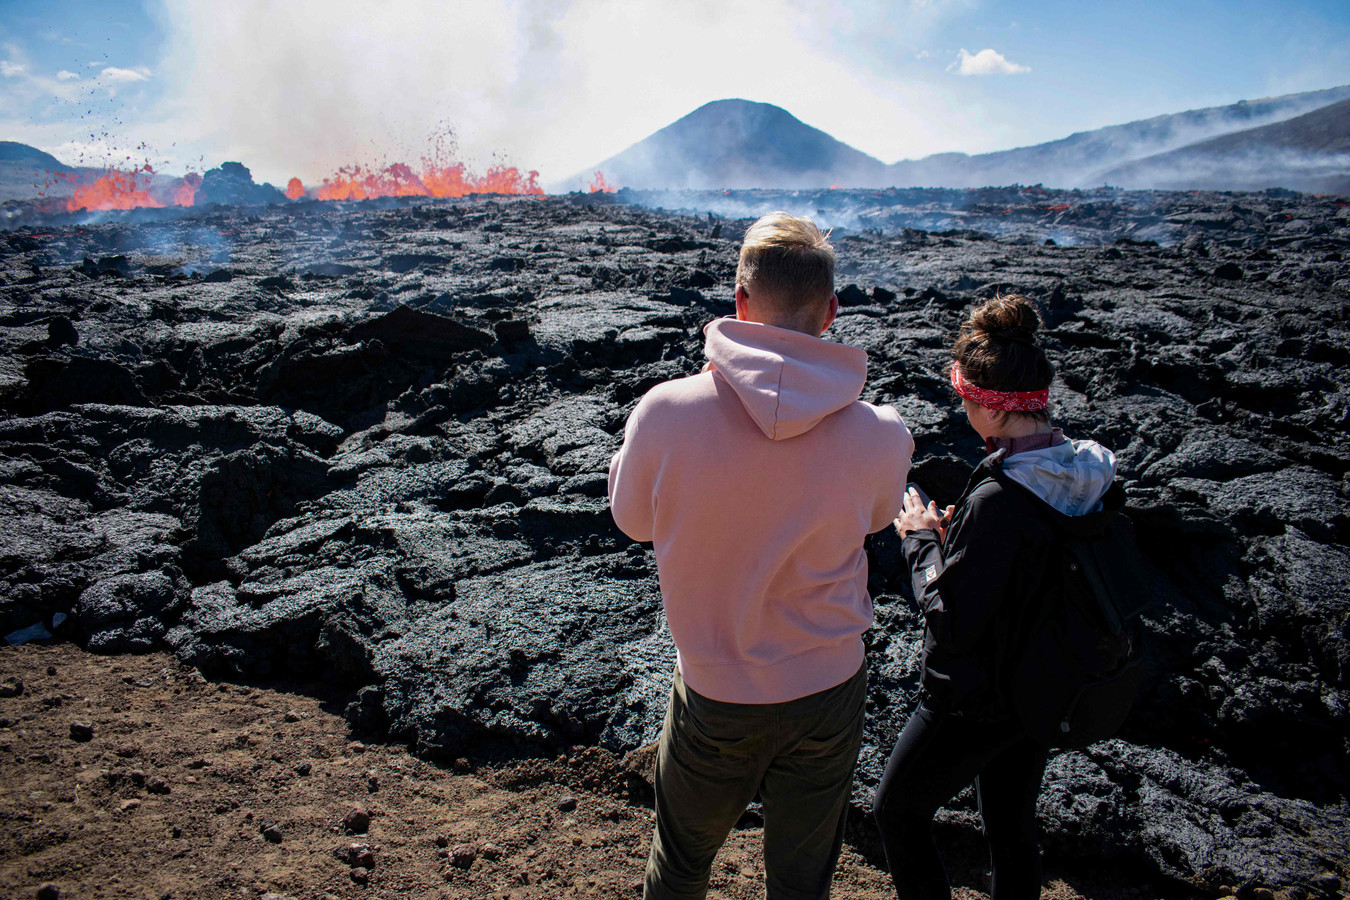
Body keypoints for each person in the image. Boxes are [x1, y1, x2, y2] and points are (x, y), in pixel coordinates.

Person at [608, 212, 914, 900]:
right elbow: (874, 518)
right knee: (802, 882)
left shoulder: (665, 411)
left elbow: (632, 522)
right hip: (828, 690)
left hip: (717, 693)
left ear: (740, 300)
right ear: (831, 311)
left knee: (682, 864)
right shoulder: (881, 433)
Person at [873, 294, 1118, 900]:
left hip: (976, 698)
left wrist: (921, 540)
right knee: (1010, 824)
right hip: (1043, 685)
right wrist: (966, 541)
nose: (961, 411)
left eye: (963, 399)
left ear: (989, 405)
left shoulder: (999, 499)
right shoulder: (1090, 474)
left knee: (897, 813)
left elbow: (951, 622)